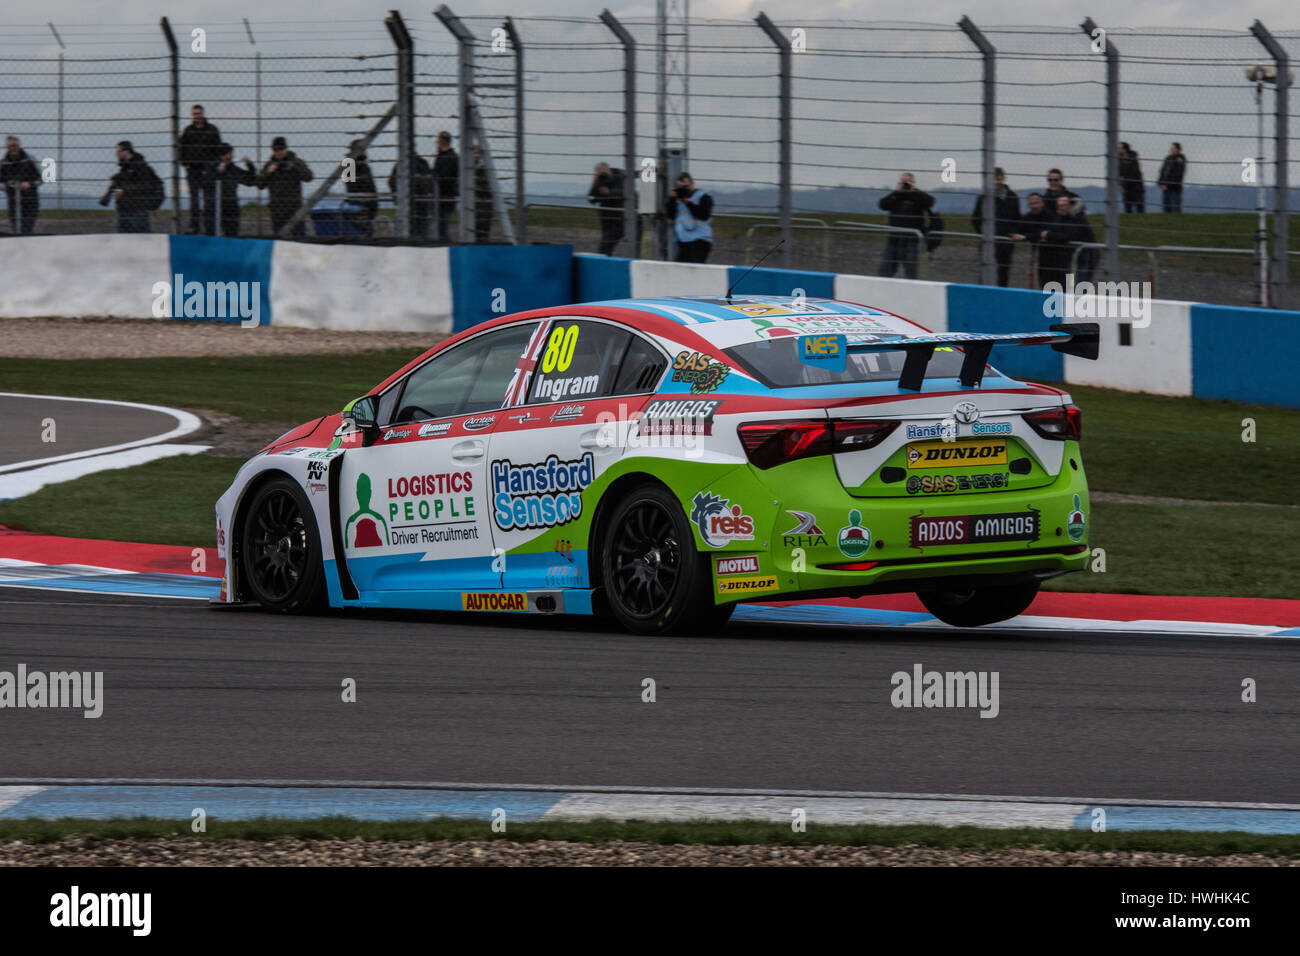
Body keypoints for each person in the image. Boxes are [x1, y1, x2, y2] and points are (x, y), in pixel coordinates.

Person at [970, 166, 1020, 287]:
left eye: (999, 178)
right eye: (994, 179)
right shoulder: (984, 198)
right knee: (985, 274)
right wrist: (984, 234)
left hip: (1006, 243)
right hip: (988, 242)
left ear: (1004, 179)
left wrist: (1012, 234)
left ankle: (1000, 300)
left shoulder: (1013, 197)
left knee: (1003, 275)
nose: (997, 182)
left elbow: (1017, 219)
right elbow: (975, 218)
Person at [877, 172, 933, 279]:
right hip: (894, 239)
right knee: (885, 271)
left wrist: (916, 191)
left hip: (912, 240)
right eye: (903, 182)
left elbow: (930, 202)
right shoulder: (896, 197)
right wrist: (896, 192)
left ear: (913, 183)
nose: (906, 185)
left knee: (912, 272)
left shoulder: (918, 197)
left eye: (908, 182)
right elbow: (883, 205)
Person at [256, 136, 313, 237]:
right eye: (275, 150)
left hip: (294, 207)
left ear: (286, 149)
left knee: (299, 236)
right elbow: (260, 185)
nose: (278, 152)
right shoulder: (269, 165)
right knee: (279, 237)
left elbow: (308, 177)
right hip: (277, 208)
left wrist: (294, 168)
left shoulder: (296, 162)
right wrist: (268, 173)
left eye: (281, 149)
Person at [179, 105, 222, 235]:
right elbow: (181, 149)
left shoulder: (212, 130)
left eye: (198, 113)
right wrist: (185, 163)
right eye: (194, 114)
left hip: (208, 170)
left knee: (209, 201)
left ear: (203, 114)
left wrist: (214, 165)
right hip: (193, 170)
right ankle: (194, 226)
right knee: (194, 200)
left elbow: (218, 148)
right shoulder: (188, 131)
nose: (197, 116)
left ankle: (210, 227)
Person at [103, 141, 160, 234]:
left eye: (118, 151)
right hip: (124, 209)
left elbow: (146, 186)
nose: (116, 154)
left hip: (137, 209)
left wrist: (125, 191)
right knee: (124, 240)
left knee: (141, 238)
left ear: (126, 151)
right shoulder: (125, 168)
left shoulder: (141, 166)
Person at [666, 172, 713, 263]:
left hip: (700, 241)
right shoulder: (677, 200)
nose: (684, 190)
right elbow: (671, 216)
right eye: (681, 188)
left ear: (692, 184)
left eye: (686, 187)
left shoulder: (703, 197)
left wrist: (689, 203)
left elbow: (704, 215)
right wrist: (672, 199)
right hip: (684, 242)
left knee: (694, 269)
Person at [211, 142, 256, 238]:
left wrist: (250, 166)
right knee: (215, 232)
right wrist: (218, 173)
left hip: (232, 204)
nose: (232, 156)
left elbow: (249, 181)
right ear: (222, 155)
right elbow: (207, 183)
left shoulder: (232, 168)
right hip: (216, 204)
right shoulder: (212, 166)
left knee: (233, 232)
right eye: (230, 154)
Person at [388, 151, 434, 238]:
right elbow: (430, 182)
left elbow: (391, 181)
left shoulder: (401, 164)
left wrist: (397, 199)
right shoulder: (422, 163)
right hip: (422, 204)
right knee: (422, 233)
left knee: (407, 233)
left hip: (408, 205)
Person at [1012, 191, 1054, 286]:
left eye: (1036, 203)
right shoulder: (1027, 217)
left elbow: (1043, 233)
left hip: (1054, 256)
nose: (1034, 206)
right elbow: (1019, 230)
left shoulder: (1050, 216)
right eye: (1031, 203)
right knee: (1039, 282)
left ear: (1042, 203)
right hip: (1038, 256)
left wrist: (1025, 237)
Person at [1, 136, 39, 235]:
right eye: (10, 146)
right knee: (17, 232)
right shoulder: (3, 163)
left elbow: (42, 178)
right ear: (6, 147)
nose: (13, 148)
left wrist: (29, 184)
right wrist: (7, 185)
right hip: (13, 203)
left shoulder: (30, 160)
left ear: (19, 146)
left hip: (30, 202)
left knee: (26, 230)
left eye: (15, 145)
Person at [587, 161, 626, 256]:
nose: (603, 176)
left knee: (605, 249)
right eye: (599, 174)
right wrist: (595, 182)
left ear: (609, 170)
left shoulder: (620, 177)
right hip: (607, 222)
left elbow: (625, 193)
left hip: (622, 220)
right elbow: (591, 199)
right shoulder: (599, 182)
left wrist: (609, 193)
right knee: (605, 249)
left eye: (604, 173)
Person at [344, 138, 378, 239]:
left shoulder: (364, 166)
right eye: (363, 149)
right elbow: (351, 186)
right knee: (364, 235)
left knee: (366, 234)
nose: (366, 152)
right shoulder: (350, 165)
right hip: (359, 206)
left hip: (367, 207)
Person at [432, 130, 459, 242]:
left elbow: (443, 176)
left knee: (443, 227)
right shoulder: (445, 156)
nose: (436, 144)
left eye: (438, 141)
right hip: (443, 196)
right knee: (441, 226)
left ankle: (445, 245)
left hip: (445, 196)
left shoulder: (449, 157)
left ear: (443, 142)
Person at [1158, 142, 1187, 214]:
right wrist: (1161, 182)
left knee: (1175, 208)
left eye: (1173, 148)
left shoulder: (1180, 159)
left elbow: (1178, 174)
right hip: (1166, 188)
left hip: (1175, 188)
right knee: (1166, 207)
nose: (1171, 150)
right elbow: (1162, 170)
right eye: (1171, 148)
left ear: (1178, 149)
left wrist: (1167, 184)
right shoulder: (1168, 158)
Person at [473, 148, 492, 243]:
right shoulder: (469, 169)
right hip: (474, 206)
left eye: (475, 153)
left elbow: (487, 189)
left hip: (483, 207)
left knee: (482, 234)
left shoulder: (485, 170)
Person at [1118, 142, 1144, 214]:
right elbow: (1118, 174)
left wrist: (1123, 185)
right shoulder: (1119, 159)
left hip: (1136, 186)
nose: (1118, 150)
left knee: (1139, 207)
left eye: (1120, 148)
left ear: (1125, 149)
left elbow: (1134, 173)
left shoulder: (1133, 158)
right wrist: (1120, 185)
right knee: (1127, 207)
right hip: (1126, 187)